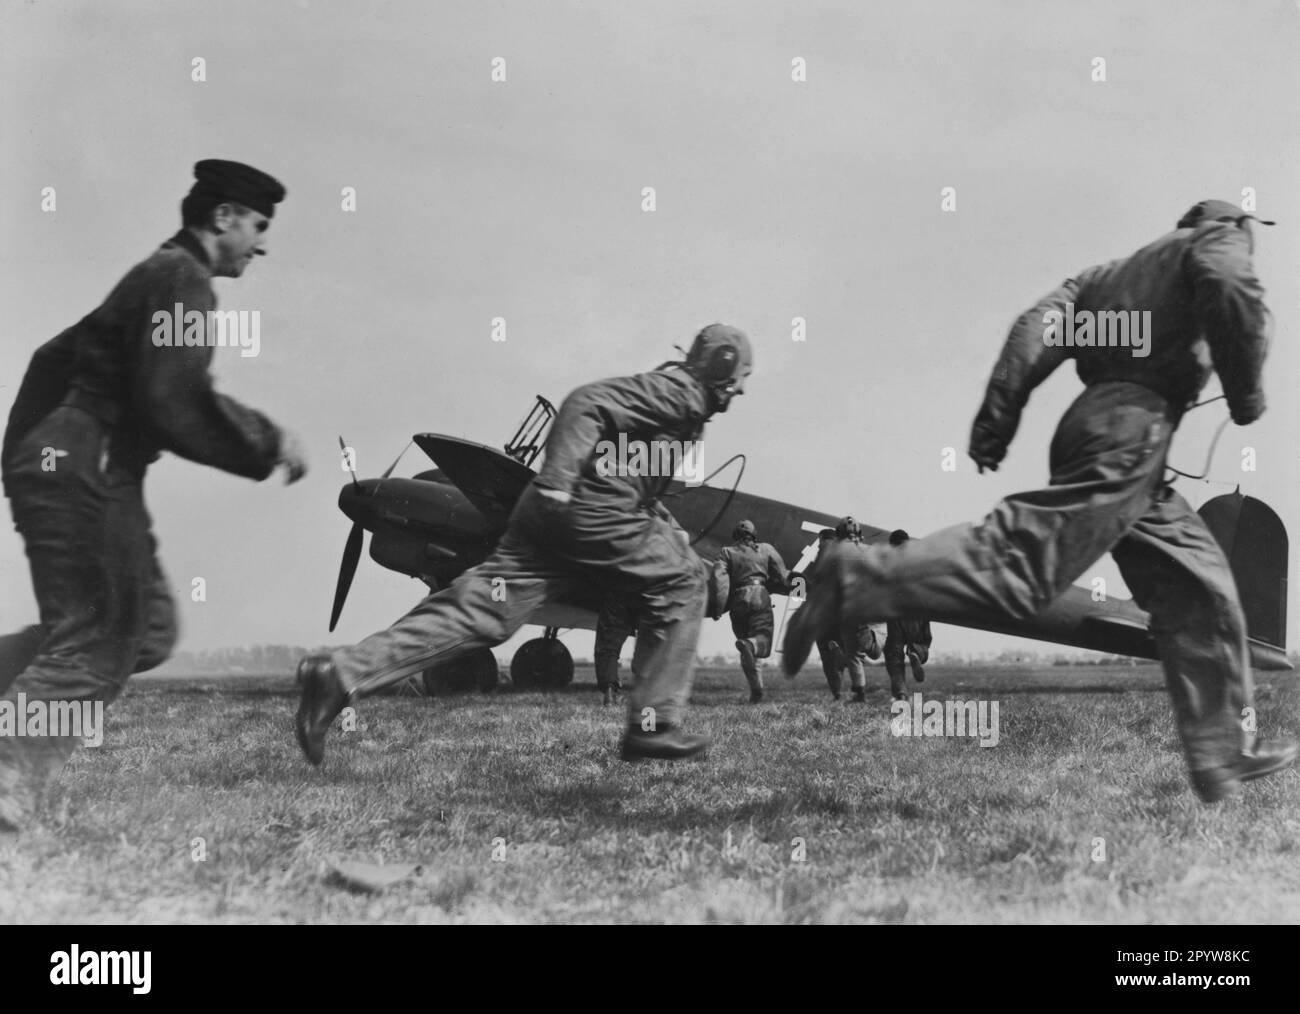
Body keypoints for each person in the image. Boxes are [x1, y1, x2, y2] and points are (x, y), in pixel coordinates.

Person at [784, 200, 1297, 803]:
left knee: (1202, 589)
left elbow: (1037, 327)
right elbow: (1232, 287)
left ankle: (1220, 753)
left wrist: (996, 420)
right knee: (1019, 568)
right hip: (1130, 432)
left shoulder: (1105, 275)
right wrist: (1246, 392)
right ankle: (857, 577)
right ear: (1229, 224)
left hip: (1107, 433)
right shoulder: (1216, 239)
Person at [0, 160, 308, 832]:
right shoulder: (181, 278)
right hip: (88, 459)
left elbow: (57, 359)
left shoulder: (161, 275)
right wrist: (265, 440)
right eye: (258, 225)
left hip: (84, 459)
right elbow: (175, 398)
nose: (261, 243)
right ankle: (8, 772)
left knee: (152, 628)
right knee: (105, 632)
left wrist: (29, 455)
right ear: (223, 216)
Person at [296, 324, 753, 764]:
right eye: (740, 379)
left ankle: (338, 675)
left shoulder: (678, 402)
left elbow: (633, 474)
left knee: (482, 614)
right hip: (591, 509)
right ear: (722, 366)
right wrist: (556, 479)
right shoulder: (681, 394)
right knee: (687, 581)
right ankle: (652, 726)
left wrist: (649, 520)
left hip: (558, 517)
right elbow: (586, 402)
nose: (741, 392)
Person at [709, 520, 790, 703]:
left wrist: (718, 609)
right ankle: (751, 645)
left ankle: (756, 691)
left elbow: (719, 583)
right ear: (754, 535)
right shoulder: (766, 549)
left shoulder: (726, 552)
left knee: (748, 649)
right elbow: (783, 577)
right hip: (760, 596)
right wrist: (797, 592)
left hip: (738, 601)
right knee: (761, 641)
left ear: (735, 536)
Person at [882, 530, 932, 700]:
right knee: (923, 641)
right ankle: (916, 653)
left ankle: (901, 693)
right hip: (918, 611)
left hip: (896, 614)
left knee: (893, 653)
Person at [593, 594, 637, 706]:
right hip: (655, 590)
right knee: (654, 639)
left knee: (608, 643)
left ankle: (609, 692)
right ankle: (650, 690)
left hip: (618, 589)